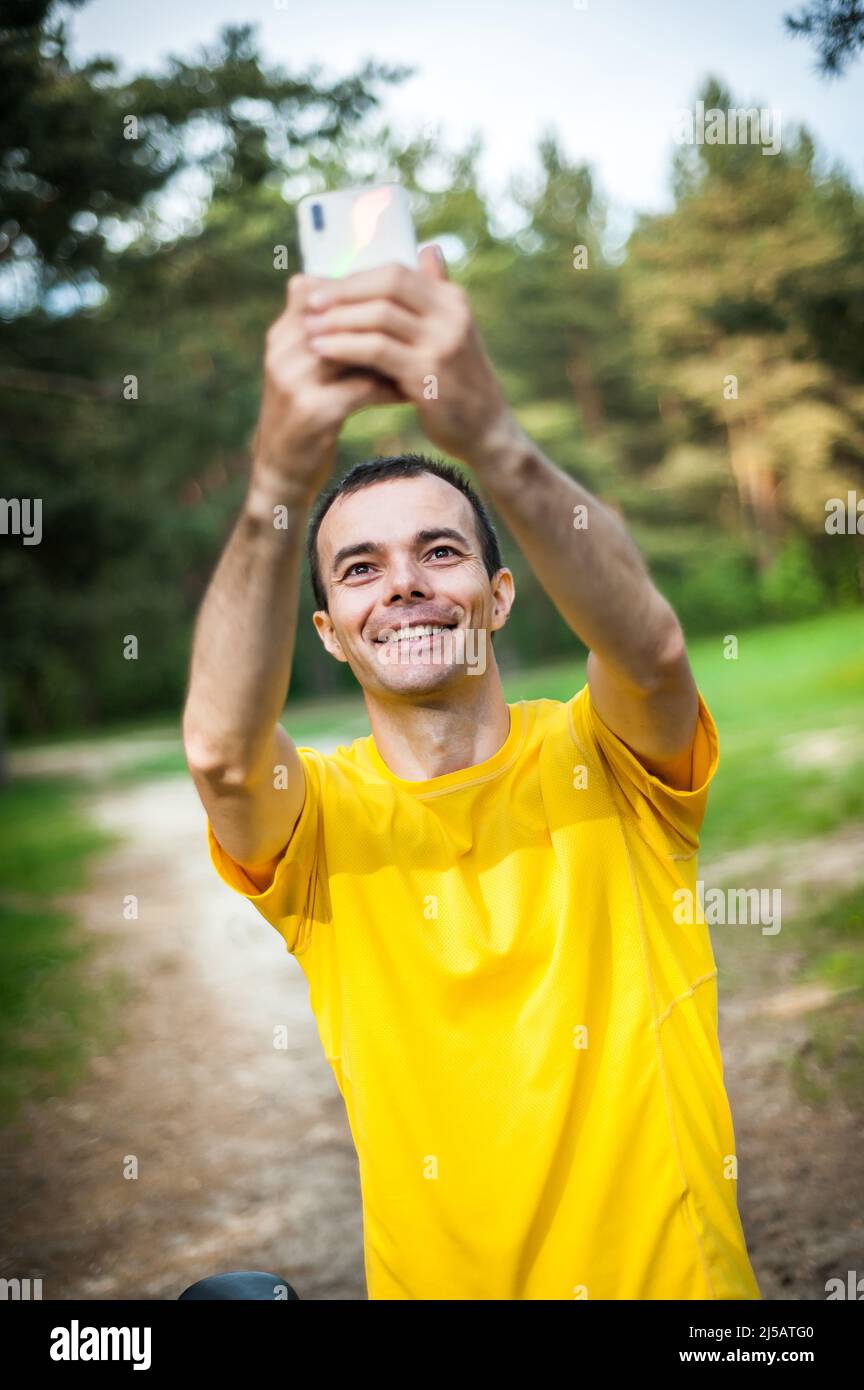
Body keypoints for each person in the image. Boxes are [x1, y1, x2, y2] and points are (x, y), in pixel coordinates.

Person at [181, 244, 761, 1301]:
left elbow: (652, 653)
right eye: (360, 568)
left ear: (499, 595)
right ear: (331, 633)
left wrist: (488, 433)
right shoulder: (319, 825)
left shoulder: (612, 760)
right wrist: (274, 481)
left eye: (439, 553)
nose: (402, 584)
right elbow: (221, 754)